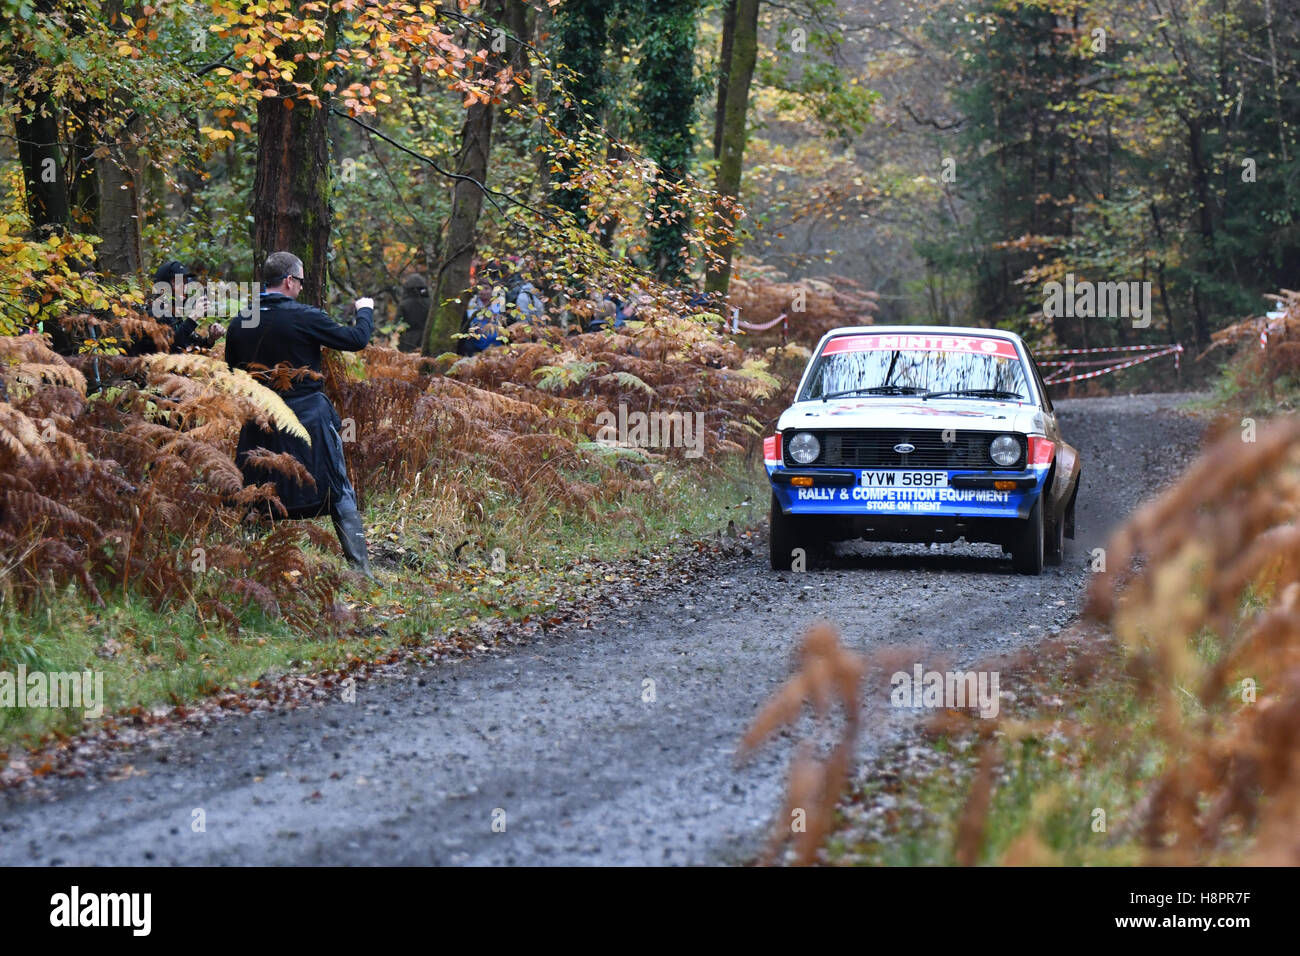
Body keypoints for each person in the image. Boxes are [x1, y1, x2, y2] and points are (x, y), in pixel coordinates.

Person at [225, 251, 375, 576]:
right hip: (308, 421)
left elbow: (232, 371)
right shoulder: (304, 316)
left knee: (256, 493)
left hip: (260, 421)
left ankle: (249, 570)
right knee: (337, 488)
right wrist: (365, 311)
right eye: (301, 282)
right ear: (290, 281)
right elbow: (356, 339)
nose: (301, 288)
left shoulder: (242, 320)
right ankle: (361, 572)